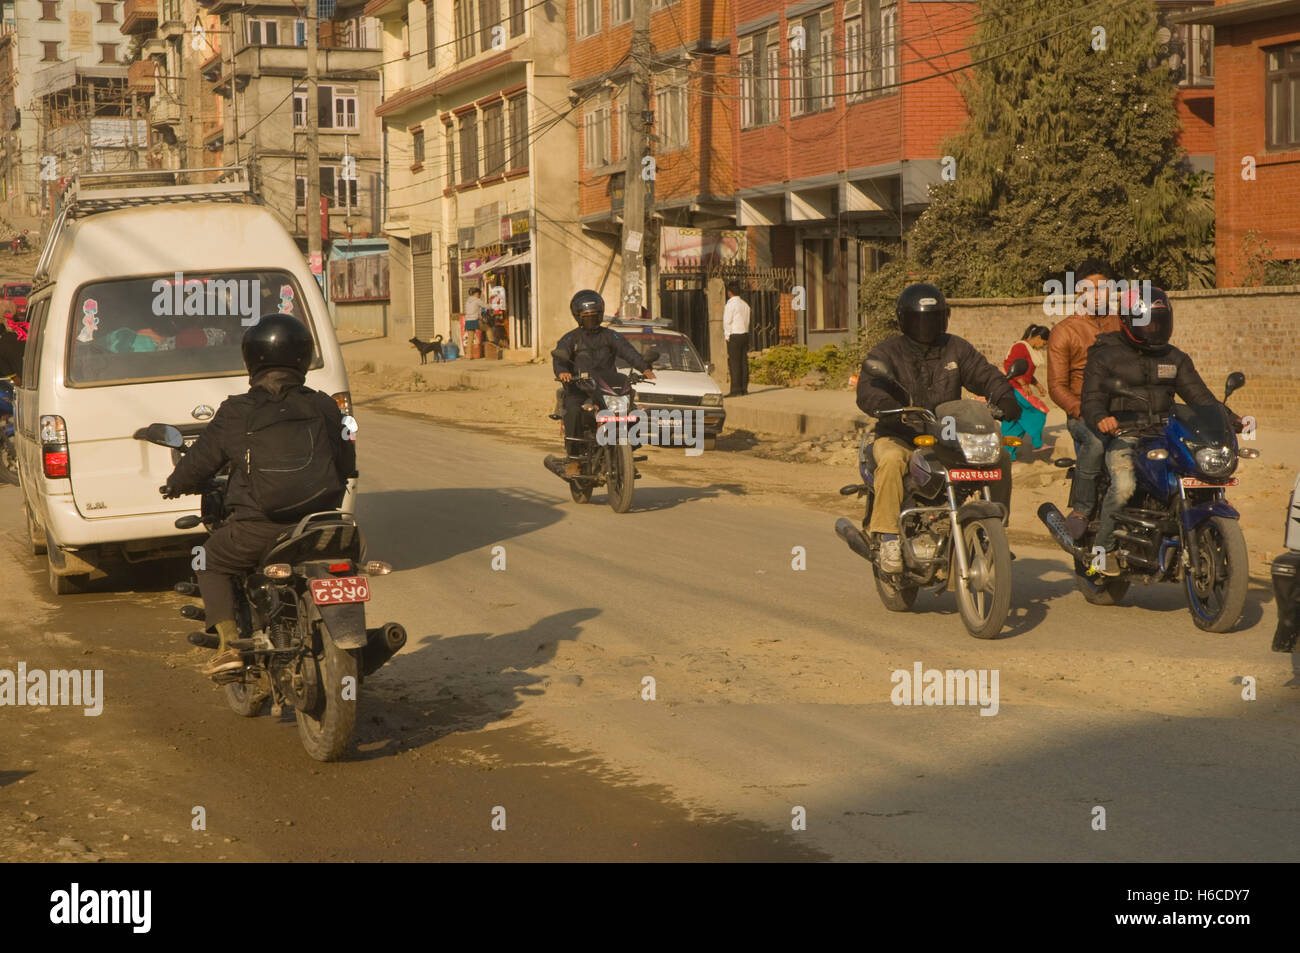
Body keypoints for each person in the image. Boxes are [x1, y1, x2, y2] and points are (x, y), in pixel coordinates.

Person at [163, 315, 356, 677]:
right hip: (321, 526)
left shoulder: (237, 411)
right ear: (303, 357)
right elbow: (347, 463)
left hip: (261, 528)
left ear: (251, 359)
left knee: (209, 560)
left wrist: (175, 484)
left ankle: (227, 647)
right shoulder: (328, 406)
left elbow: (200, 462)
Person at [856, 283, 1021, 573]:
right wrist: (884, 406)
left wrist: (1005, 396)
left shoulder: (955, 348)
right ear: (903, 319)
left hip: (947, 438)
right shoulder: (887, 352)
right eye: (919, 319)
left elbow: (985, 375)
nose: (926, 326)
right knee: (892, 461)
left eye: (933, 318)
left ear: (944, 317)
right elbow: (869, 388)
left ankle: (993, 531)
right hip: (900, 434)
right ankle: (889, 539)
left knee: (999, 457)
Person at [1081, 287, 1219, 575]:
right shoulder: (1105, 356)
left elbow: (1201, 397)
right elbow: (1091, 399)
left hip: (1167, 433)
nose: (1153, 329)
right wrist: (1101, 417)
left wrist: (1230, 418)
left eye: (1158, 322)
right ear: (1127, 322)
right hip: (1125, 433)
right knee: (1124, 486)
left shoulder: (1175, 358)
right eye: (1145, 322)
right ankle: (1102, 550)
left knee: (1200, 474)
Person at [1047, 259, 1123, 539]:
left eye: (1103, 287)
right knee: (1095, 441)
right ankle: (1082, 509)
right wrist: (1087, 412)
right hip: (1082, 416)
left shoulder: (1122, 323)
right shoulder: (1064, 331)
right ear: (1079, 292)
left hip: (1124, 410)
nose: (1098, 294)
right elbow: (1056, 387)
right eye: (1090, 288)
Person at [552, 289, 655, 478]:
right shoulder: (571, 338)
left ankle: (626, 457)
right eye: (586, 316)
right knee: (574, 410)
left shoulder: (611, 336)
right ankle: (574, 458)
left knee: (634, 412)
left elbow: (628, 351)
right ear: (578, 316)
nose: (591, 319)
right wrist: (563, 371)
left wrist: (644, 368)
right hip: (580, 388)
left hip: (607, 387)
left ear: (600, 314)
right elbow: (559, 358)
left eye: (594, 315)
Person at [1001, 324, 1051, 460]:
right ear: (1038, 338)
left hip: (1018, 388)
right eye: (1044, 343)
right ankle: (1037, 443)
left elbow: (1025, 372)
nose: (1043, 346)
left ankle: (1008, 456)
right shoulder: (1020, 347)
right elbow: (1010, 366)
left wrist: (1037, 385)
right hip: (1014, 389)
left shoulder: (1029, 350)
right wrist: (1023, 384)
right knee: (1038, 412)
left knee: (1013, 425)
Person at [723, 281, 751, 396]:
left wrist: (727, 335)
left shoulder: (730, 305)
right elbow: (747, 321)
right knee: (744, 362)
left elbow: (727, 321)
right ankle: (744, 388)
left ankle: (735, 390)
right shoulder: (745, 305)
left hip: (734, 335)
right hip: (744, 334)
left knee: (734, 363)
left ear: (729, 292)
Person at [463, 287, 484, 358]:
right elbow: (485, 306)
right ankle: (492, 345)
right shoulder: (477, 300)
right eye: (480, 294)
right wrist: (494, 305)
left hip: (468, 321)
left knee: (470, 339)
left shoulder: (467, 301)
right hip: (475, 320)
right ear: (477, 294)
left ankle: (468, 355)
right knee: (488, 329)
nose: (480, 296)